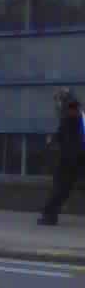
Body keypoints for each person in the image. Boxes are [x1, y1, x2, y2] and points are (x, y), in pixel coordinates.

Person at [37, 89, 83, 225]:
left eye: (58, 100)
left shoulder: (71, 113)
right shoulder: (73, 114)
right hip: (73, 157)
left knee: (60, 188)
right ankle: (50, 215)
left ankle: (50, 215)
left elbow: (67, 134)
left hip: (71, 158)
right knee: (62, 188)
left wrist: (54, 140)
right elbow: (63, 133)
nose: (57, 105)